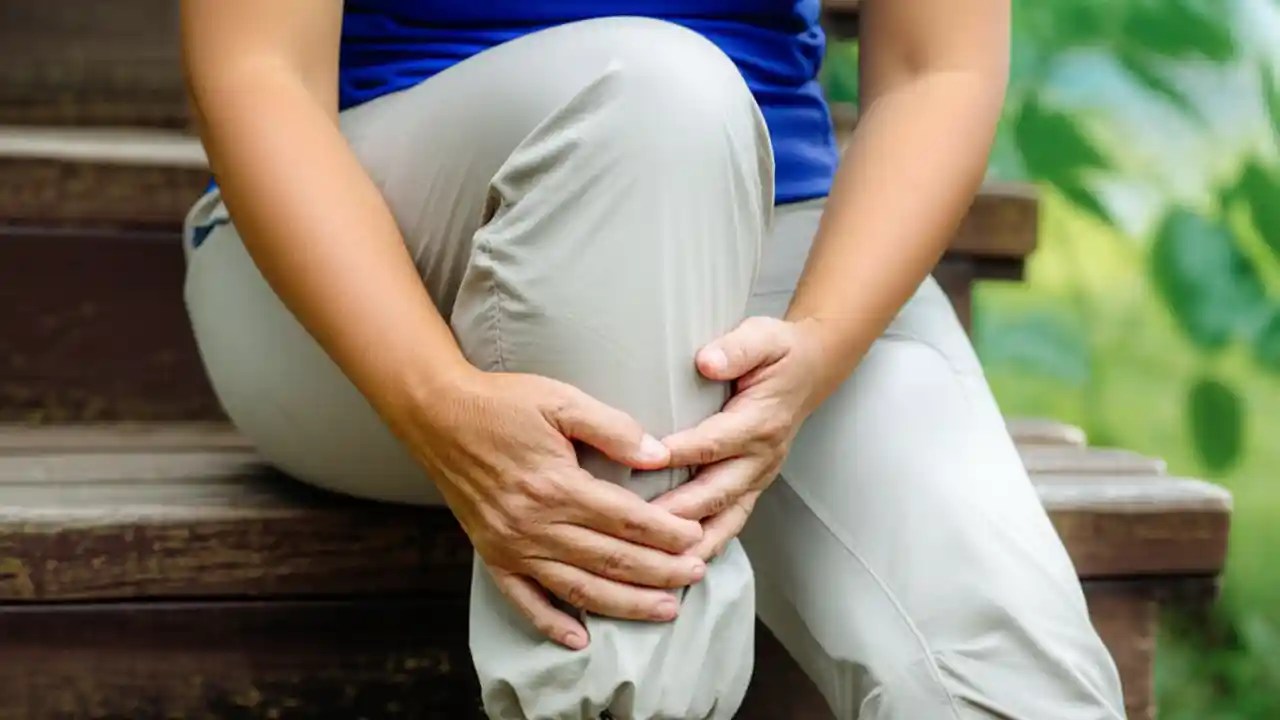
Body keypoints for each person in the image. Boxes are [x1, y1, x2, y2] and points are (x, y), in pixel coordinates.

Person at [179, 1, 1126, 718]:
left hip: (781, 258)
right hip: (363, 270)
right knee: (655, 102)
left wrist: (823, 346)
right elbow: (257, 71)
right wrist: (436, 397)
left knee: (1013, 677)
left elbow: (940, 69)